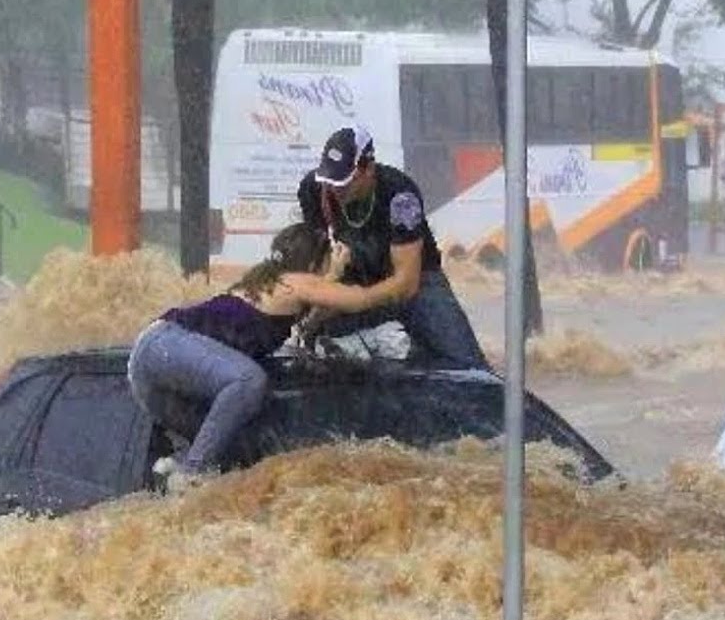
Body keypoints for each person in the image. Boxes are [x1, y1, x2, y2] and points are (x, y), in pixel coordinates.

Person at [127, 222, 358, 482]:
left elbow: (310, 321)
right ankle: (191, 473)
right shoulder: (288, 285)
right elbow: (349, 298)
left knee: (232, 449)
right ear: (312, 267)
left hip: (156, 368)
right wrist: (340, 273)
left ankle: (178, 473)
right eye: (327, 261)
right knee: (249, 380)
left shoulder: (277, 289)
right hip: (163, 346)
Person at [294, 124, 490, 371]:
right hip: (358, 275)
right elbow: (317, 262)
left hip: (417, 282)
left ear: (367, 168)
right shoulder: (313, 189)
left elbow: (405, 284)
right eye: (329, 180)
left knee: (469, 367)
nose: (335, 188)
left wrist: (357, 300)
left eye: (342, 181)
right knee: (313, 348)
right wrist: (319, 306)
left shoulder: (400, 196)